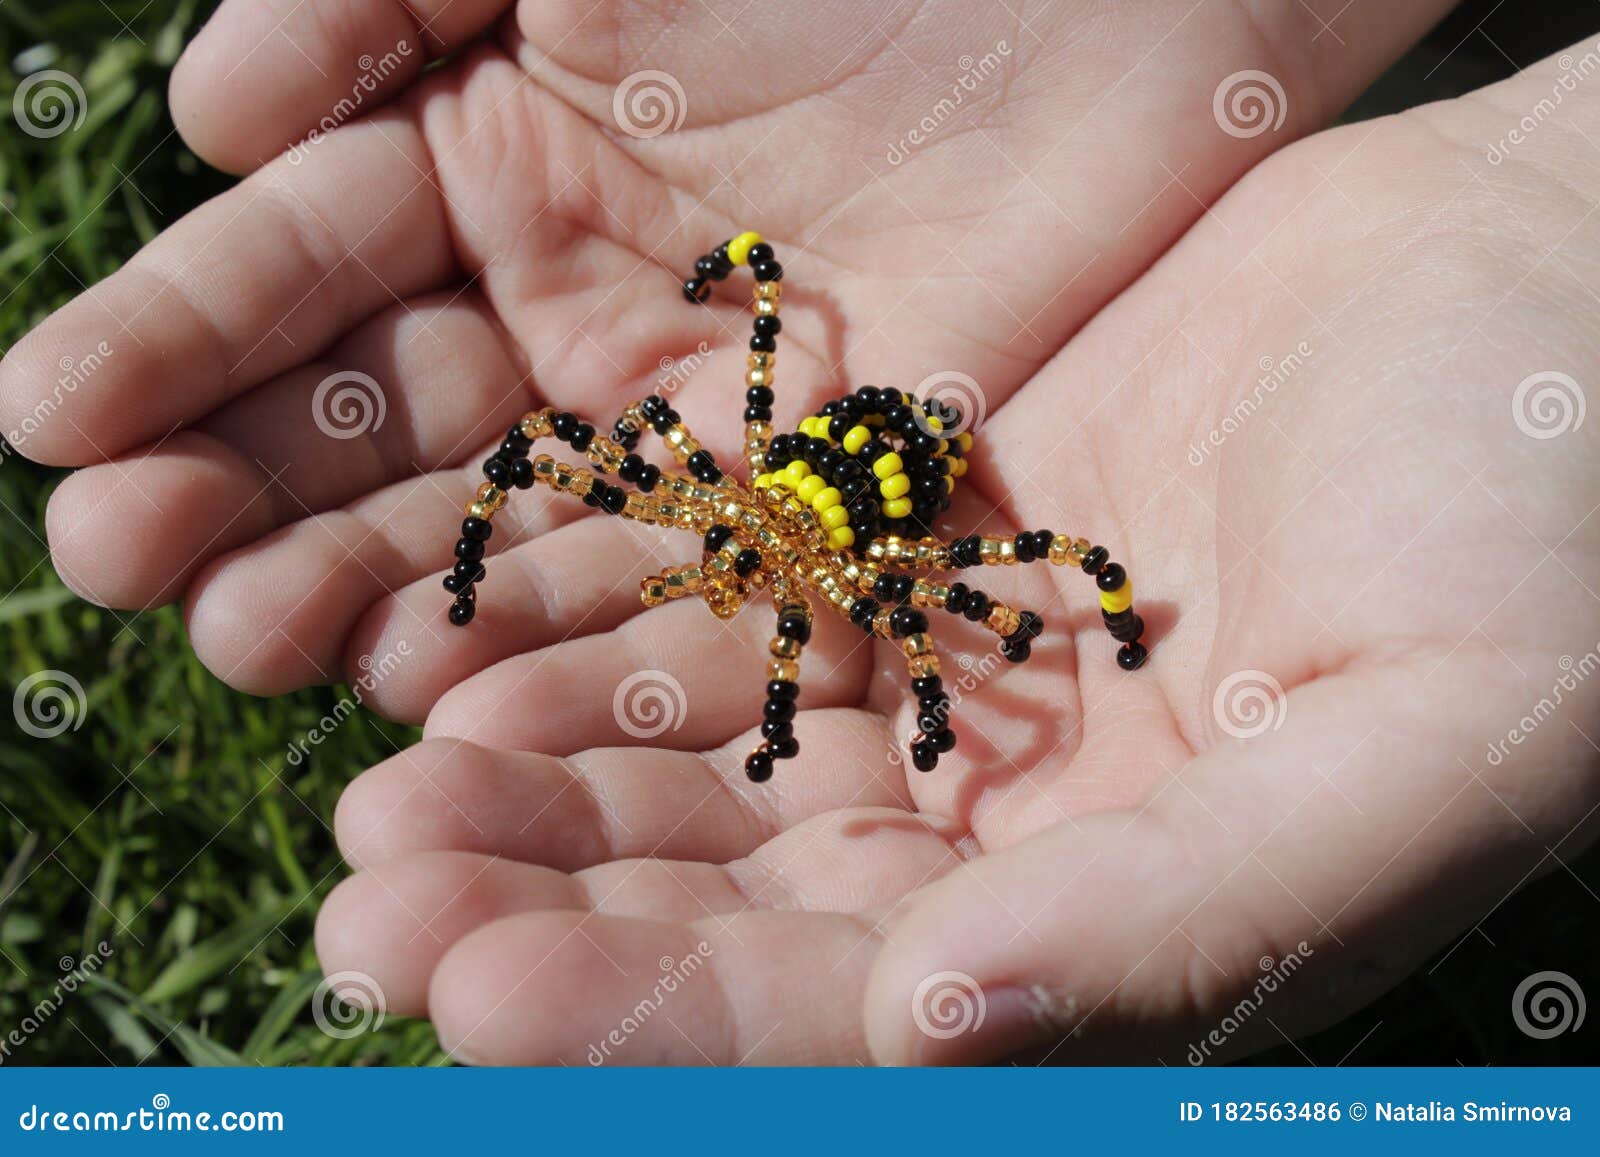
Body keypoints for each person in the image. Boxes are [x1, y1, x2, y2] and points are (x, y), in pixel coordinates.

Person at [1, 0, 1595, 1065]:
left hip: (881, 485)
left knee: (913, 612)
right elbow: (741, 322)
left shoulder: (848, 565)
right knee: (570, 456)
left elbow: (946, 607)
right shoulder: (741, 476)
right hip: (824, 476)